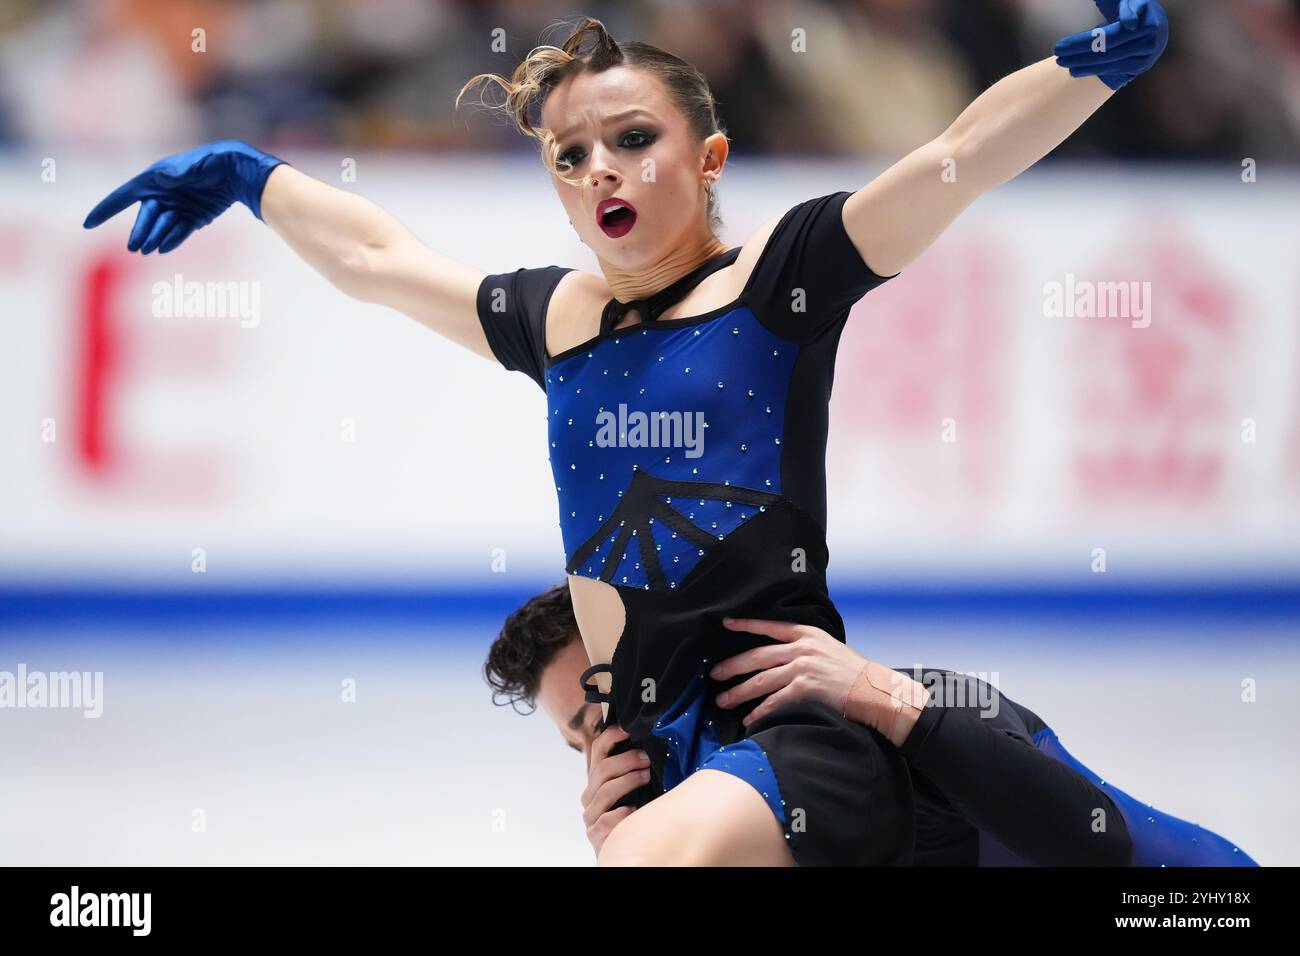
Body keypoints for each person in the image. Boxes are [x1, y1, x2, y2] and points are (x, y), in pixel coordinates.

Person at [83, 4, 1172, 865]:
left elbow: (956, 157)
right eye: (569, 155)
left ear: (708, 158)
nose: (598, 166)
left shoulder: (780, 279)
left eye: (632, 138)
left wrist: (1094, 68)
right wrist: (249, 176)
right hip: (661, 763)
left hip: (790, 730)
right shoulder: (560, 322)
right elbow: (378, 261)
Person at [487, 584, 1258, 867]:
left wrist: (891, 705)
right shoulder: (702, 809)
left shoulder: (886, 712)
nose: (603, 754)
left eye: (602, 716)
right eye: (579, 743)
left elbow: (1098, 847)